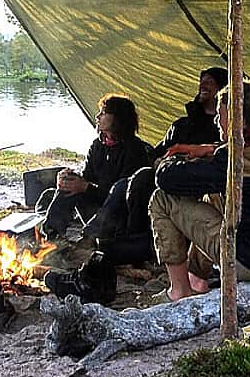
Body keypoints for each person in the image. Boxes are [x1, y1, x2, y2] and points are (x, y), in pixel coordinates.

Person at [149, 82, 250, 301]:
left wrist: (165, 163)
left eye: (220, 115)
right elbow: (240, 152)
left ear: (235, 117)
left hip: (248, 261)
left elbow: (166, 180)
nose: (215, 120)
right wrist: (211, 149)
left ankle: (179, 291)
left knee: (161, 199)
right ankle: (198, 280)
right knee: (214, 196)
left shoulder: (231, 160)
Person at [92, 67, 227, 260]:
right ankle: (126, 236)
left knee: (139, 180)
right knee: (131, 181)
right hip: (167, 175)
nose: (203, 85)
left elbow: (219, 160)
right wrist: (160, 161)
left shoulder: (225, 131)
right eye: (202, 81)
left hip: (197, 186)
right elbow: (156, 153)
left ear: (222, 91)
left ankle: (137, 244)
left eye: (210, 82)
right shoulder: (181, 125)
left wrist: (192, 157)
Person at [41, 94, 152, 241]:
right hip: (97, 213)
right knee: (70, 182)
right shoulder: (97, 145)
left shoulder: (134, 150)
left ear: (118, 119)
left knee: (119, 187)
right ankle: (51, 234)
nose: (97, 116)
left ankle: (89, 238)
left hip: (119, 218)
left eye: (104, 112)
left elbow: (123, 197)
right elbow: (87, 179)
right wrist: (69, 180)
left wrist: (86, 187)